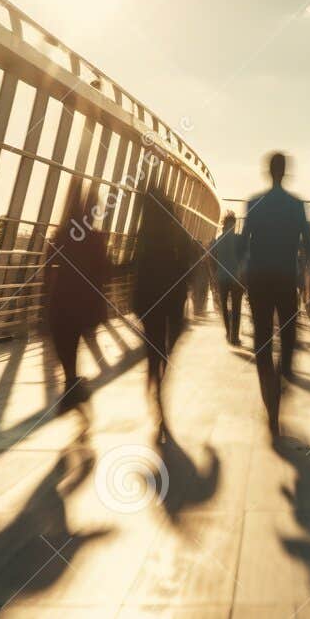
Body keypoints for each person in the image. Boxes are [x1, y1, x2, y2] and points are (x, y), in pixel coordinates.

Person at [242, 152, 310, 438]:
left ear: (269, 172)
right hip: (285, 281)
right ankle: (280, 384)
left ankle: (270, 403)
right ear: (285, 172)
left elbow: (242, 244)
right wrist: (304, 269)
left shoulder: (254, 204)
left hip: (259, 281)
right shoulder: (297, 206)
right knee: (289, 338)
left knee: (262, 343)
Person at [132, 180, 195, 440]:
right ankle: (158, 389)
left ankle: (154, 390)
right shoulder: (175, 229)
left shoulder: (145, 232)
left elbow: (137, 265)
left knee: (153, 350)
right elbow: (188, 262)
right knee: (164, 350)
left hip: (149, 300)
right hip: (172, 300)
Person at [43, 189, 110, 413]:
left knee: (67, 352)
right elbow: (104, 272)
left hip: (61, 303)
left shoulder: (61, 235)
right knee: (73, 347)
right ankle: (73, 391)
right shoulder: (96, 239)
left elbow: (48, 268)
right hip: (83, 304)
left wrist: (45, 303)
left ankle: (72, 388)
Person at [210, 211, 246, 345]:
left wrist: (213, 274)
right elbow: (245, 258)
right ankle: (234, 336)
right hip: (235, 278)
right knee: (236, 307)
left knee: (224, 306)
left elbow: (211, 259)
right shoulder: (238, 240)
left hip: (223, 277)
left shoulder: (218, 240)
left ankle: (228, 332)